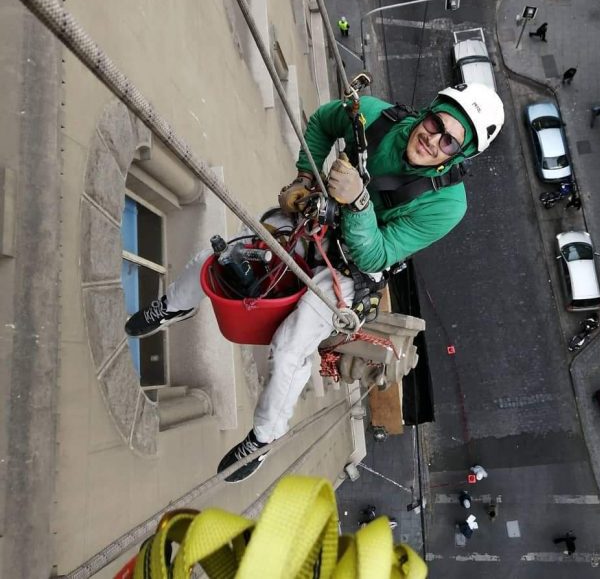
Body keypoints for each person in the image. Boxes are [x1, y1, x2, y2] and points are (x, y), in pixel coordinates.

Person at [124, 85, 505, 481]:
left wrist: (359, 203)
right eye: (435, 123)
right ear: (428, 111)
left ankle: (264, 438)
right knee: (219, 257)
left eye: (449, 142)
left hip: (351, 268)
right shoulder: (375, 117)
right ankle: (175, 305)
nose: (432, 140)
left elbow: (374, 255)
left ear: (458, 155)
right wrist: (305, 177)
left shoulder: (446, 206)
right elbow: (323, 122)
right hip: (315, 217)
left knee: (290, 347)